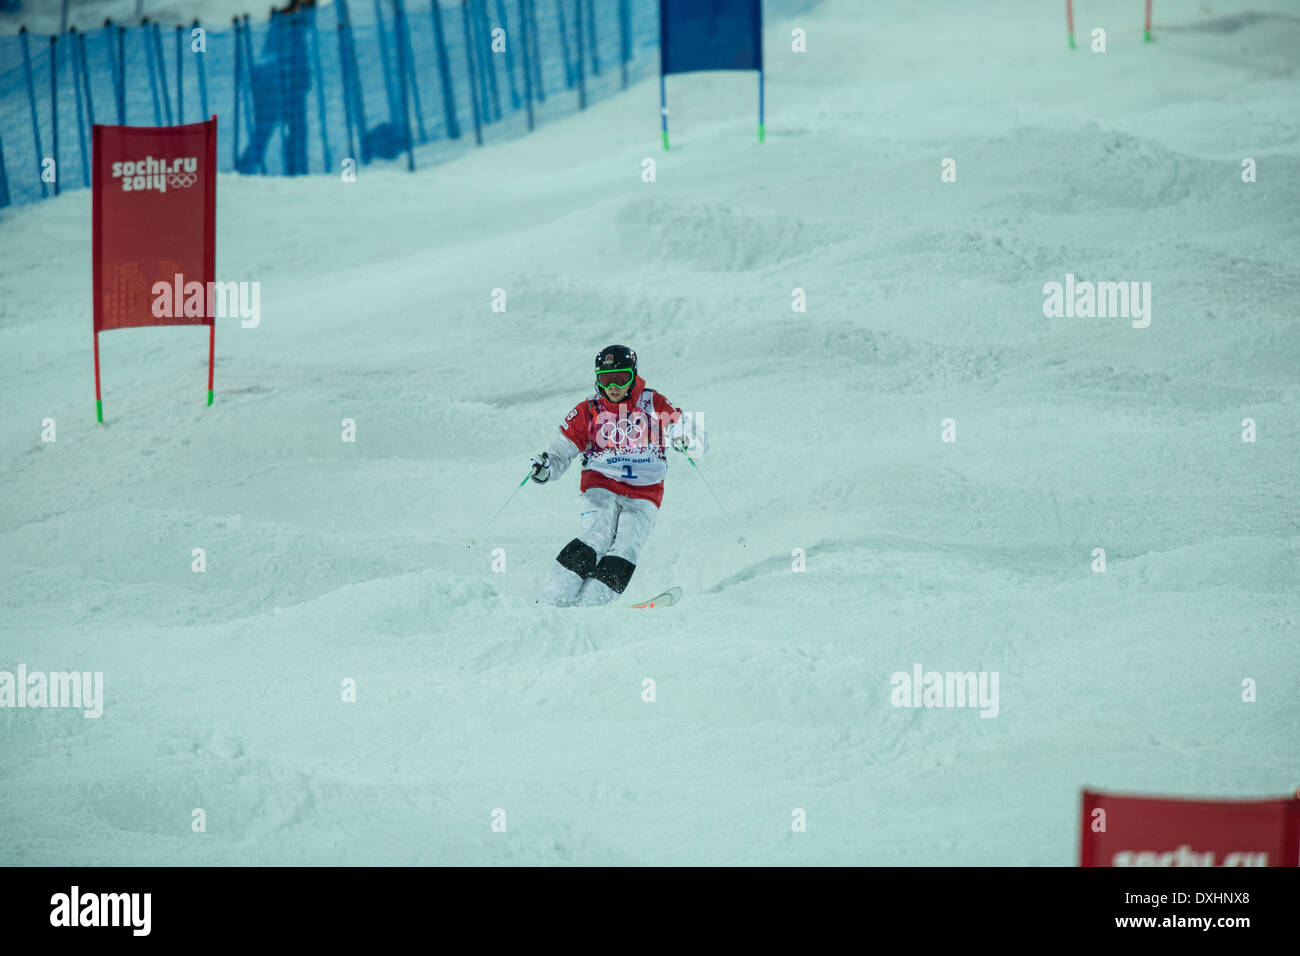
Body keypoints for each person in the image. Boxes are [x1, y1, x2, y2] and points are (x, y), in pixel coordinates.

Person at [531, 345, 707, 607]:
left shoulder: (653, 403)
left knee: (626, 544)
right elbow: (562, 448)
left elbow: (691, 432)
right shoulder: (588, 410)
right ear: (597, 379)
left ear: (633, 376)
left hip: (644, 491)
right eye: (606, 379)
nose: (613, 387)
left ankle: (592, 604)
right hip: (600, 484)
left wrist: (686, 438)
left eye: (621, 378)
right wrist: (547, 467)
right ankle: (552, 599)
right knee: (596, 535)